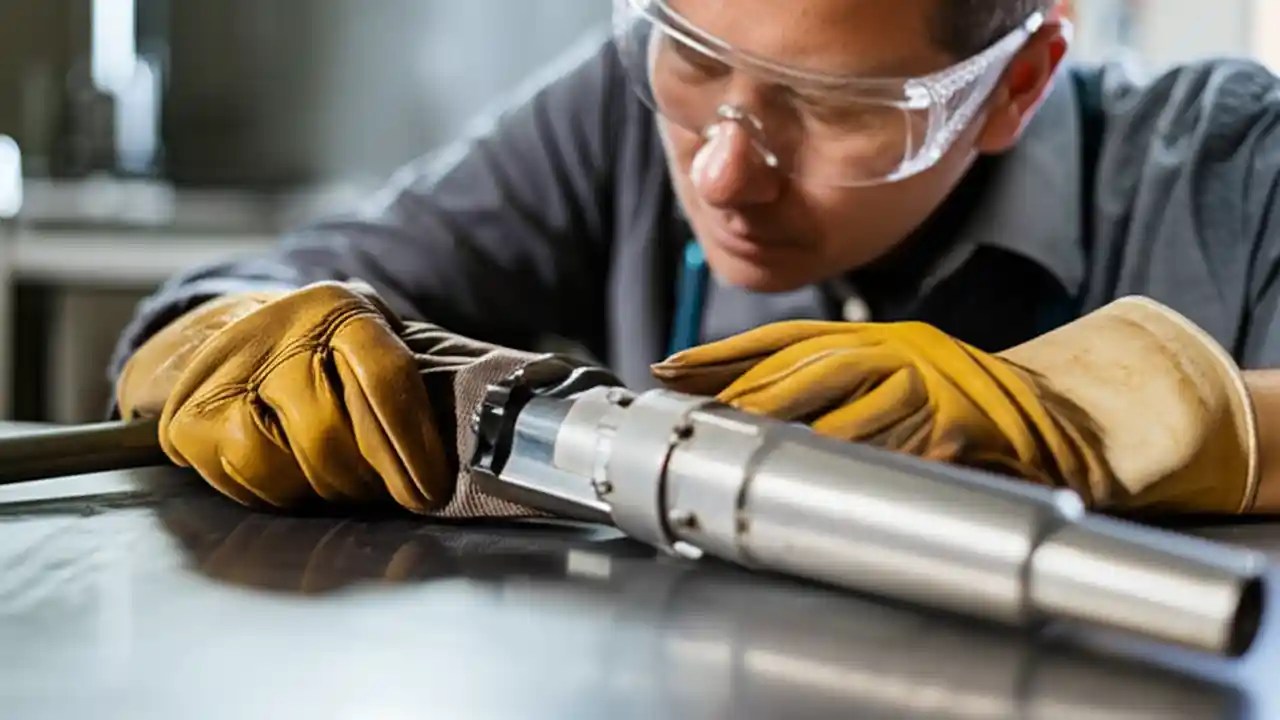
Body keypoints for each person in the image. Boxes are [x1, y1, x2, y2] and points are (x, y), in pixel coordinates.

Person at [111, 0, 1280, 518]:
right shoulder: (621, 117)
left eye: (833, 110)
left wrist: (1110, 419)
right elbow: (248, 293)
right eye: (691, 61)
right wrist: (228, 346)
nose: (722, 172)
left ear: (1012, 87)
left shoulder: (1230, 164)